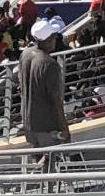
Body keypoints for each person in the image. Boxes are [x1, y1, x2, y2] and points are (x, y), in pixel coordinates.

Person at [16, 18, 69, 150]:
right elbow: (56, 101)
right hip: (46, 126)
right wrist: (65, 129)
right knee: (51, 160)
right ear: (48, 39)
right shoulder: (50, 64)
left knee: (38, 158)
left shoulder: (25, 54)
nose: (55, 39)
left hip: (28, 122)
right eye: (54, 36)